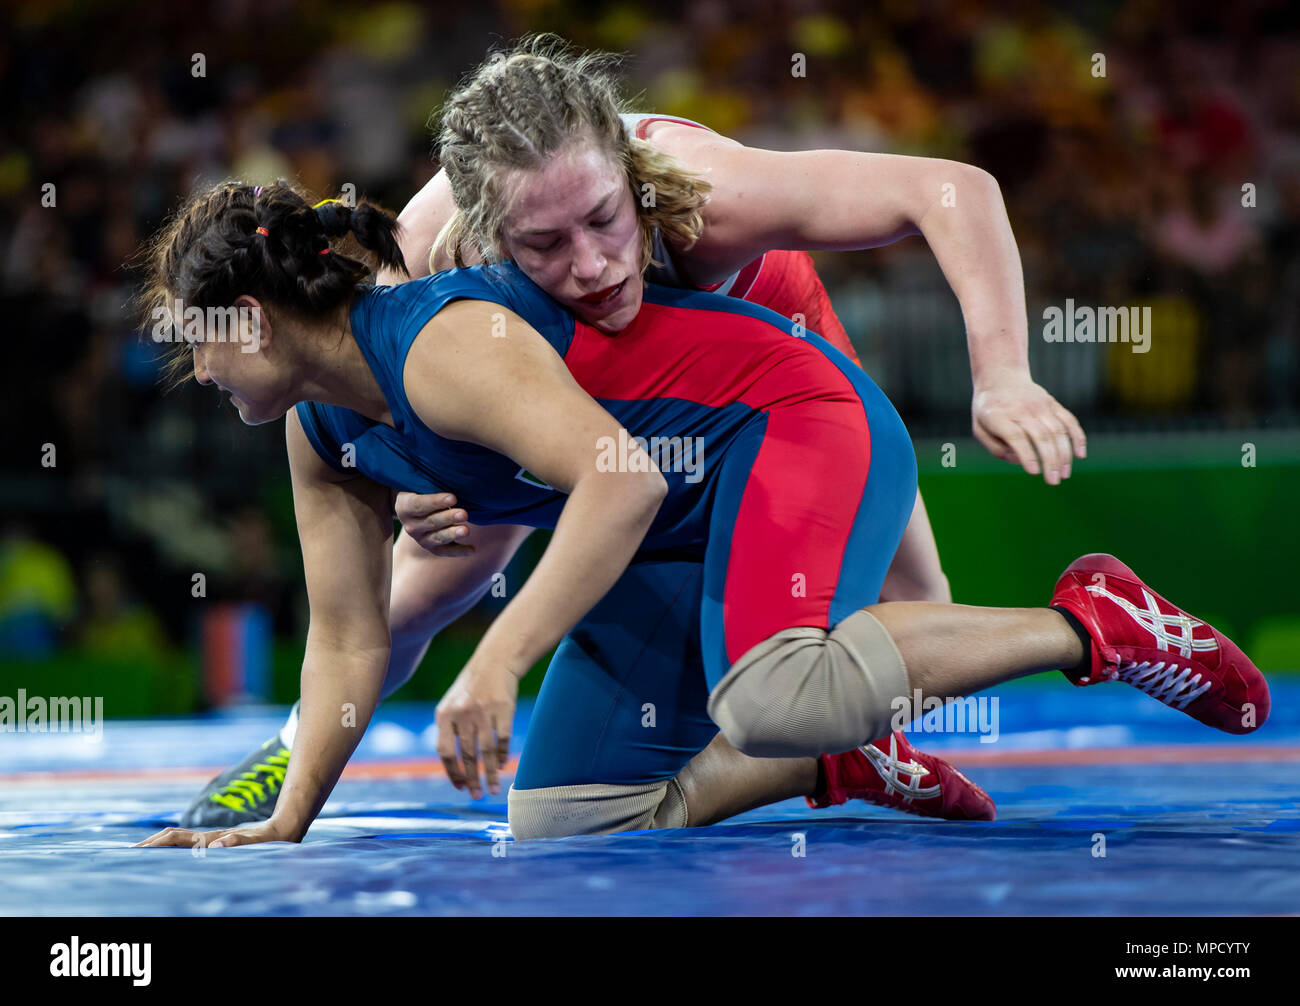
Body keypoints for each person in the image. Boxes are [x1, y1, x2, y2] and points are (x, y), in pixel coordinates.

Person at [136, 180, 1266, 850]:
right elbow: (346, 635)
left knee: (780, 684)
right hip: (673, 512)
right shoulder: (318, 426)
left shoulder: (435, 345)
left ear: (247, 315)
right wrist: (288, 821)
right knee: (571, 817)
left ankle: (1100, 621)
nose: (193, 371)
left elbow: (617, 480)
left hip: (789, 416)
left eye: (192, 341)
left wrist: (501, 662)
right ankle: (837, 763)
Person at [182, 35, 1084, 828]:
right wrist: (415, 477)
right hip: (572, 399)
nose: (594, 264)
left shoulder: (705, 195)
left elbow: (950, 187)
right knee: (420, 585)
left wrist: (1003, 373)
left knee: (909, 612)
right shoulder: (426, 257)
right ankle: (292, 750)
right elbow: (358, 377)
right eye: (544, 246)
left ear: (629, 178)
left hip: (764, 374)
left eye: (608, 220)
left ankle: (880, 733)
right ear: (490, 235)